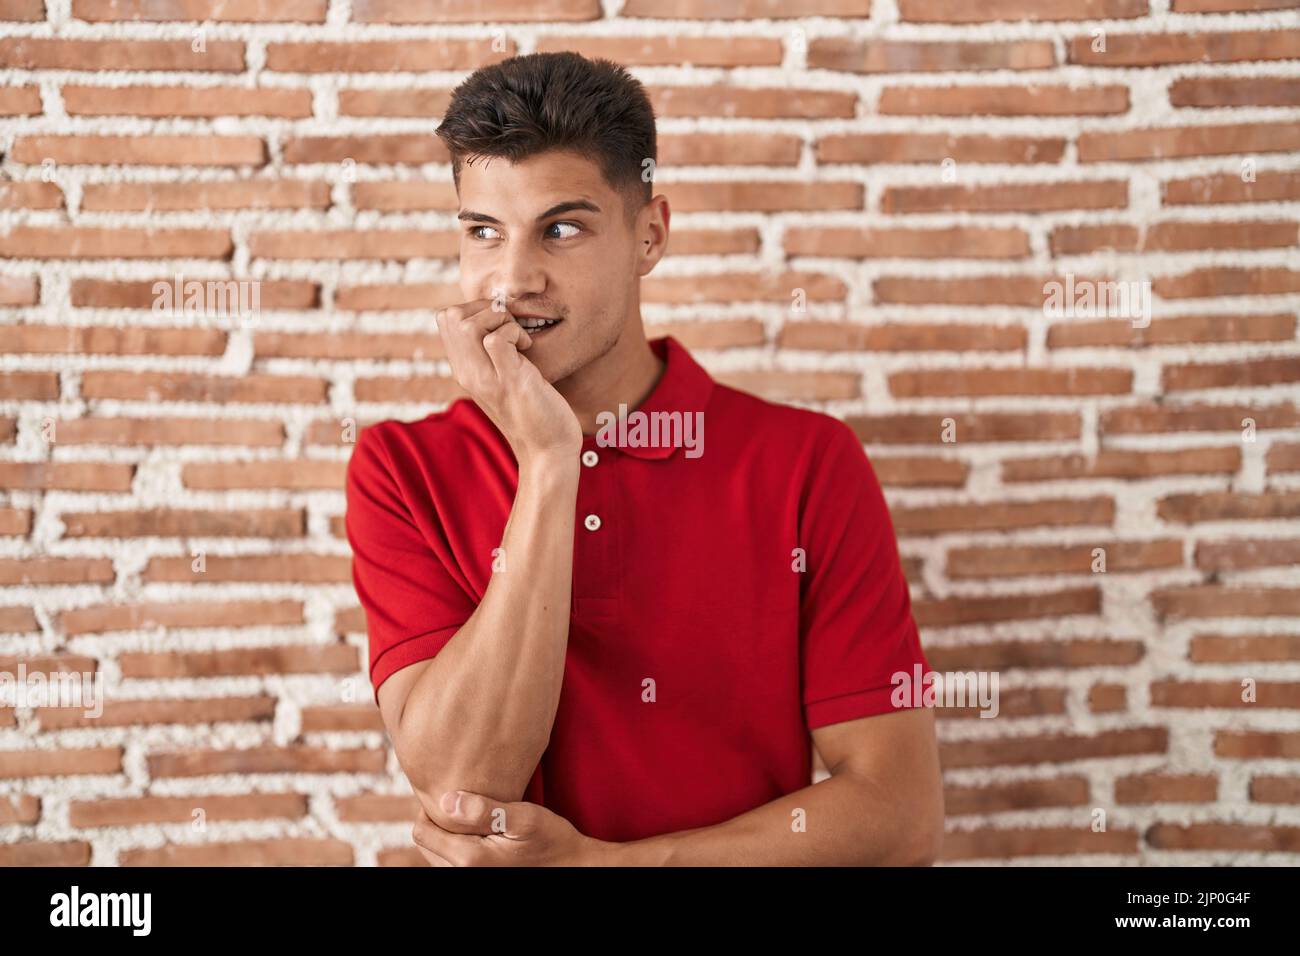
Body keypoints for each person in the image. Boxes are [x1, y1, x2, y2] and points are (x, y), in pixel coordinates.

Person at [344, 51, 944, 866]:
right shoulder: (400, 469)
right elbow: (461, 784)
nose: (513, 279)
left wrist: (612, 867)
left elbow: (899, 813)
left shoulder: (808, 463)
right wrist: (551, 465)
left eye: (562, 228)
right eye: (484, 232)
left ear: (649, 235)